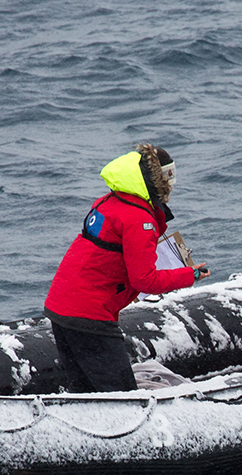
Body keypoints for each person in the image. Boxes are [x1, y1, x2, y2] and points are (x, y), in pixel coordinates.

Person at [44, 143, 210, 393]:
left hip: (61, 306)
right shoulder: (139, 219)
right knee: (122, 396)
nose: (171, 184)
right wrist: (191, 274)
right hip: (90, 315)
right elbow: (145, 281)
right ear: (154, 179)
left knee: (84, 391)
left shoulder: (108, 202)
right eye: (168, 176)